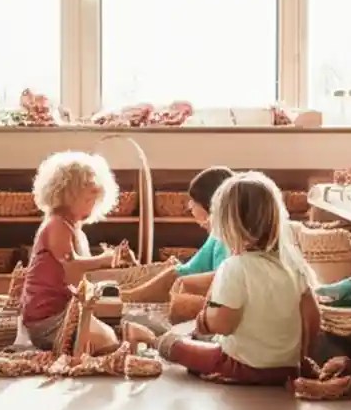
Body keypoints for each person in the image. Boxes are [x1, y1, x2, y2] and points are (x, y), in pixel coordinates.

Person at [137, 172, 321, 384]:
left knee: (172, 343)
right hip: (286, 369)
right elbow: (313, 319)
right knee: (202, 339)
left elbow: (223, 324)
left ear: (227, 224)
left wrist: (204, 319)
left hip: (238, 366)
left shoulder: (235, 266)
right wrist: (301, 357)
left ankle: (149, 340)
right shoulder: (292, 266)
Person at [20, 151, 135, 354]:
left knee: (121, 332)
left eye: (95, 200)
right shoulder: (56, 225)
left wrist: (118, 265)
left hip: (70, 312)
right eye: (87, 200)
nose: (91, 206)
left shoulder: (75, 229)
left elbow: (85, 277)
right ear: (66, 195)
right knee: (107, 343)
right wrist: (104, 260)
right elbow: (71, 269)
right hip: (48, 320)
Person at [121, 167, 234, 322]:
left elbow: (215, 282)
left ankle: (123, 299)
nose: (189, 206)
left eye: (194, 201)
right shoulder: (217, 236)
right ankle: (123, 298)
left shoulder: (223, 239)